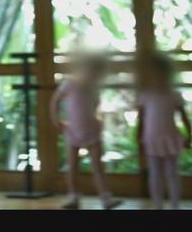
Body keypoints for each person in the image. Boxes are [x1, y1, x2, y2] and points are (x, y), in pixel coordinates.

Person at [49, 53, 121, 209]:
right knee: (73, 166)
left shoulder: (94, 88)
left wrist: (98, 122)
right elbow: (55, 100)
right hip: (73, 131)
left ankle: (105, 198)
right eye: (91, 70)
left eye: (97, 73)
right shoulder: (70, 83)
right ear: (82, 68)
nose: (93, 75)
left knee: (98, 166)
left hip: (92, 131)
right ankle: (73, 196)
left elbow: (94, 107)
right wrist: (55, 119)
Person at [137, 53, 191, 209]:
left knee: (172, 174)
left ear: (168, 75)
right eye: (154, 74)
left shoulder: (174, 94)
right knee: (155, 174)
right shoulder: (145, 95)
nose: (158, 78)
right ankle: (157, 205)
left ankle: (175, 206)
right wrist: (139, 140)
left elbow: (184, 116)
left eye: (161, 74)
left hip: (170, 138)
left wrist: (189, 135)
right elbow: (141, 119)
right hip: (151, 139)